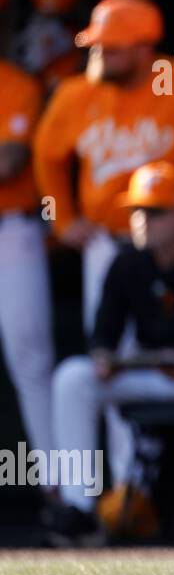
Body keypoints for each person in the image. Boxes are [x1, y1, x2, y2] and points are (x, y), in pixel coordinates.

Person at [32, 0, 174, 492]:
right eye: (98, 47)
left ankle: (136, 489)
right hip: (108, 244)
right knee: (105, 361)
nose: (101, 57)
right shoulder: (76, 93)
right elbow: (46, 154)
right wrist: (63, 219)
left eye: (113, 49)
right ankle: (100, 496)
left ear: (145, 47)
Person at [45, 162, 174, 546]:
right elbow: (104, 335)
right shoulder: (127, 262)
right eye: (137, 212)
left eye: (156, 212)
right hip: (147, 371)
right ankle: (78, 505)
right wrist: (105, 358)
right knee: (72, 378)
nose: (144, 221)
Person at [0, 59, 55, 495]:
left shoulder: (16, 83)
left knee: (30, 358)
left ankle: (62, 492)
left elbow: (10, 161)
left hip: (12, 229)